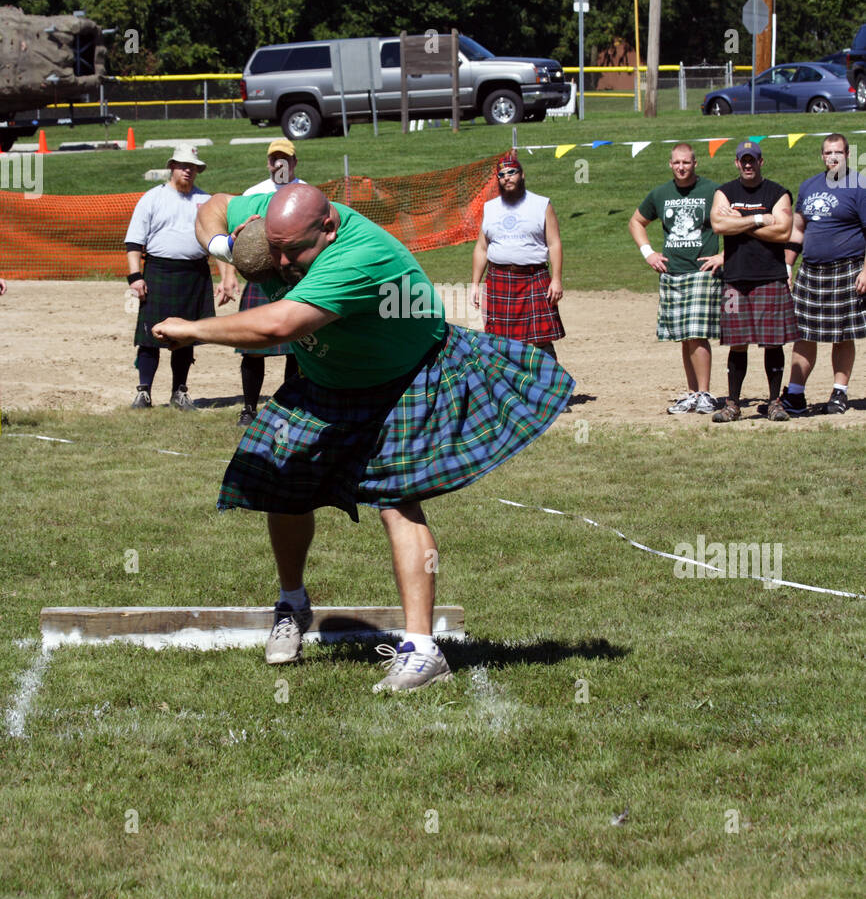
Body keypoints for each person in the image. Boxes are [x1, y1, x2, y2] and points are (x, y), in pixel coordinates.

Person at [153, 184, 573, 693]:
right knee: (283, 487)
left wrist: (195, 329)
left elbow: (278, 326)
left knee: (398, 502)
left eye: (293, 252)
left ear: (327, 228)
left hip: (402, 377)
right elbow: (212, 206)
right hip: (327, 378)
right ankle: (292, 604)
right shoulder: (279, 219)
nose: (280, 261)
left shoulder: (359, 258)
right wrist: (225, 245)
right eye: (274, 246)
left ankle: (421, 650)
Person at [124, 142, 237, 409]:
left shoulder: (206, 202)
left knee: (185, 335)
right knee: (150, 335)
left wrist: (225, 278)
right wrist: (135, 277)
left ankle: (179, 391)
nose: (189, 171)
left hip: (194, 274)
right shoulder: (152, 198)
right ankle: (144, 392)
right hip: (158, 271)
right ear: (172, 167)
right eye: (184, 166)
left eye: (194, 167)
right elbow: (133, 244)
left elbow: (218, 244)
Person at [628, 143, 723, 414]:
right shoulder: (660, 194)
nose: (682, 167)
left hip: (702, 272)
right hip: (672, 273)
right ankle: (693, 394)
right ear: (670, 165)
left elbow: (737, 222)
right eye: (677, 163)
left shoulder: (713, 191)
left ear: (696, 163)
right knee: (684, 336)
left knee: (697, 333)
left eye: (687, 162)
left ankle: (704, 393)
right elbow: (636, 222)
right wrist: (648, 253)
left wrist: (724, 256)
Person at [709, 140, 798, 422]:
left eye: (753, 159)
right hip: (735, 279)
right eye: (743, 160)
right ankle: (732, 404)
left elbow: (784, 233)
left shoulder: (778, 192)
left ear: (761, 162)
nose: (748, 164)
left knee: (773, 343)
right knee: (737, 344)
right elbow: (719, 225)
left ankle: (775, 403)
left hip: (770, 277)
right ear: (736, 163)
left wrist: (743, 220)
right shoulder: (724, 192)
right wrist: (761, 219)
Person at [782, 133, 866, 415]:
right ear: (822, 156)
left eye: (839, 153)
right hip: (811, 271)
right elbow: (797, 229)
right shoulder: (808, 186)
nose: (833, 158)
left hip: (847, 270)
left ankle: (839, 393)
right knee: (803, 333)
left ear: (847, 155)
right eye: (828, 153)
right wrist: (788, 265)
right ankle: (795, 394)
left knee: (842, 335)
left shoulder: (860, 187)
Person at [236, 138, 304, 427]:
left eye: (285, 159)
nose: (279, 164)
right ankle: (249, 408)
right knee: (253, 344)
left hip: (293, 276)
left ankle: (290, 407)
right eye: (274, 158)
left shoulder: (306, 193)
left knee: (297, 346)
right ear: (267, 162)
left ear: (294, 163)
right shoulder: (251, 195)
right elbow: (234, 239)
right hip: (261, 276)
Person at [470, 153, 564, 356]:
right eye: (501, 174)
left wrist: (556, 280)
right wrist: (475, 284)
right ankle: (508, 386)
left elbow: (554, 243)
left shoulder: (541, 205)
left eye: (512, 172)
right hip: (499, 279)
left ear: (522, 175)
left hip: (533, 278)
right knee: (499, 342)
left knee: (541, 339)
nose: (507, 177)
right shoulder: (490, 208)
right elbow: (482, 248)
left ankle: (551, 386)